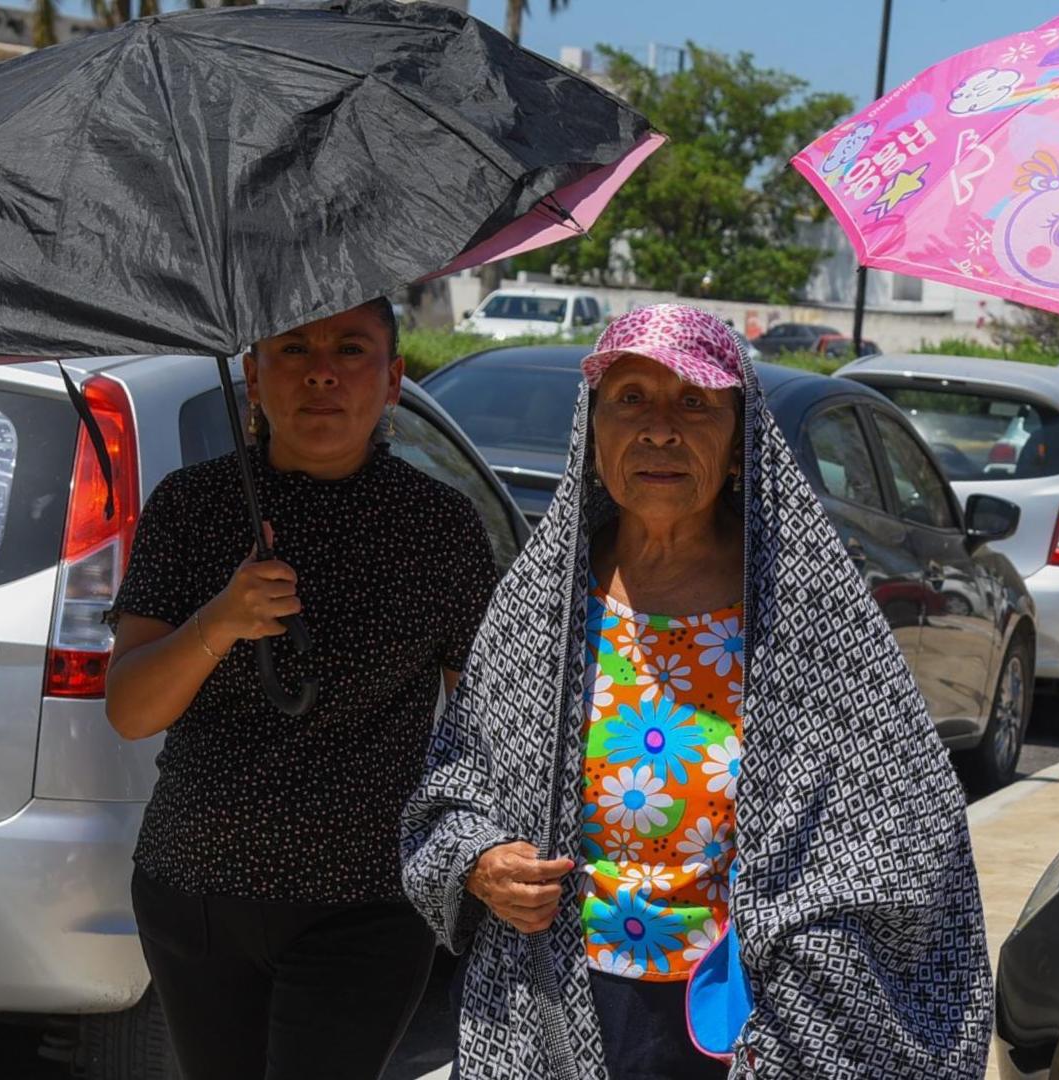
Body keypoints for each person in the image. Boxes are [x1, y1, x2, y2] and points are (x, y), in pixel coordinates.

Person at [401, 304, 992, 1079]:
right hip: (555, 1003)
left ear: (740, 439)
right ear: (594, 430)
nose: (659, 430)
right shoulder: (542, 604)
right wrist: (480, 861)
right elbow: (451, 787)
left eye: (694, 404)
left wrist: (803, 951)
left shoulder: (806, 607)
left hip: (753, 1016)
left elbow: (910, 828)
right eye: (631, 399)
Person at [104, 298, 499, 1080]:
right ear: (252, 378)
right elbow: (131, 710)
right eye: (292, 350)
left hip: (368, 904)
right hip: (199, 892)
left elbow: (485, 725)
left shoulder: (441, 528)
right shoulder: (192, 507)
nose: (321, 371)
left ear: (393, 381)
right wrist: (222, 619)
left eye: (351, 350)